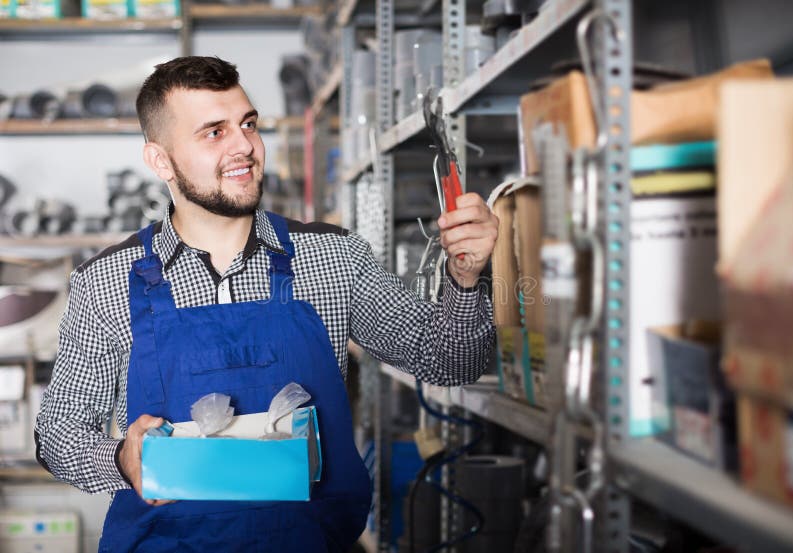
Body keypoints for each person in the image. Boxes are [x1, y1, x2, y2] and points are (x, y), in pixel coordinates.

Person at [34, 56, 499, 552]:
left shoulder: (334, 259)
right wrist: (121, 461)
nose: (245, 146)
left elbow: (452, 362)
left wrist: (465, 278)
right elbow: (58, 432)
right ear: (161, 161)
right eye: (214, 132)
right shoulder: (106, 281)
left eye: (248, 124)